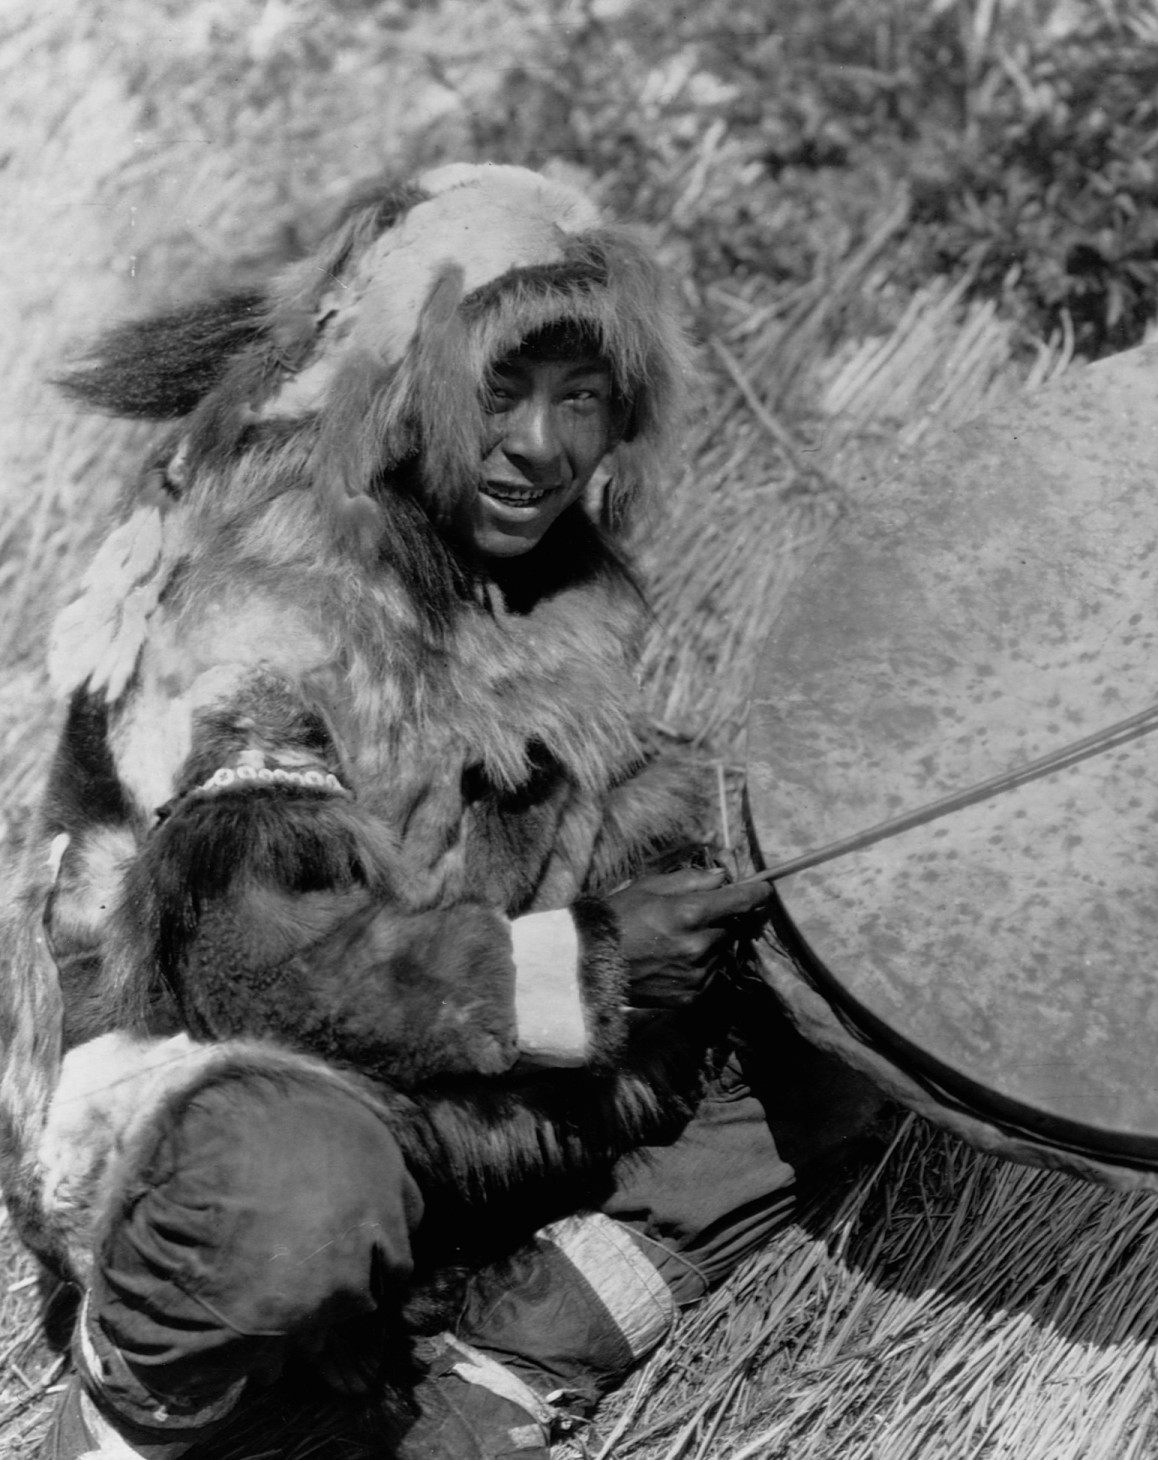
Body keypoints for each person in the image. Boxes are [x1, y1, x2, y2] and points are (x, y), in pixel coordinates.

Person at [0, 163, 881, 1460]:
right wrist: (590, 969)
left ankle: (515, 1362)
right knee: (293, 1186)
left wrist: (748, 857)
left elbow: (576, 815)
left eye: (580, 397)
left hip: (435, 1073)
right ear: (404, 383)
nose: (543, 446)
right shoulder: (259, 592)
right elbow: (257, 973)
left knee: (844, 995)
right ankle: (134, 1406)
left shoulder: (536, 577)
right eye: (501, 391)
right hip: (204, 1096)